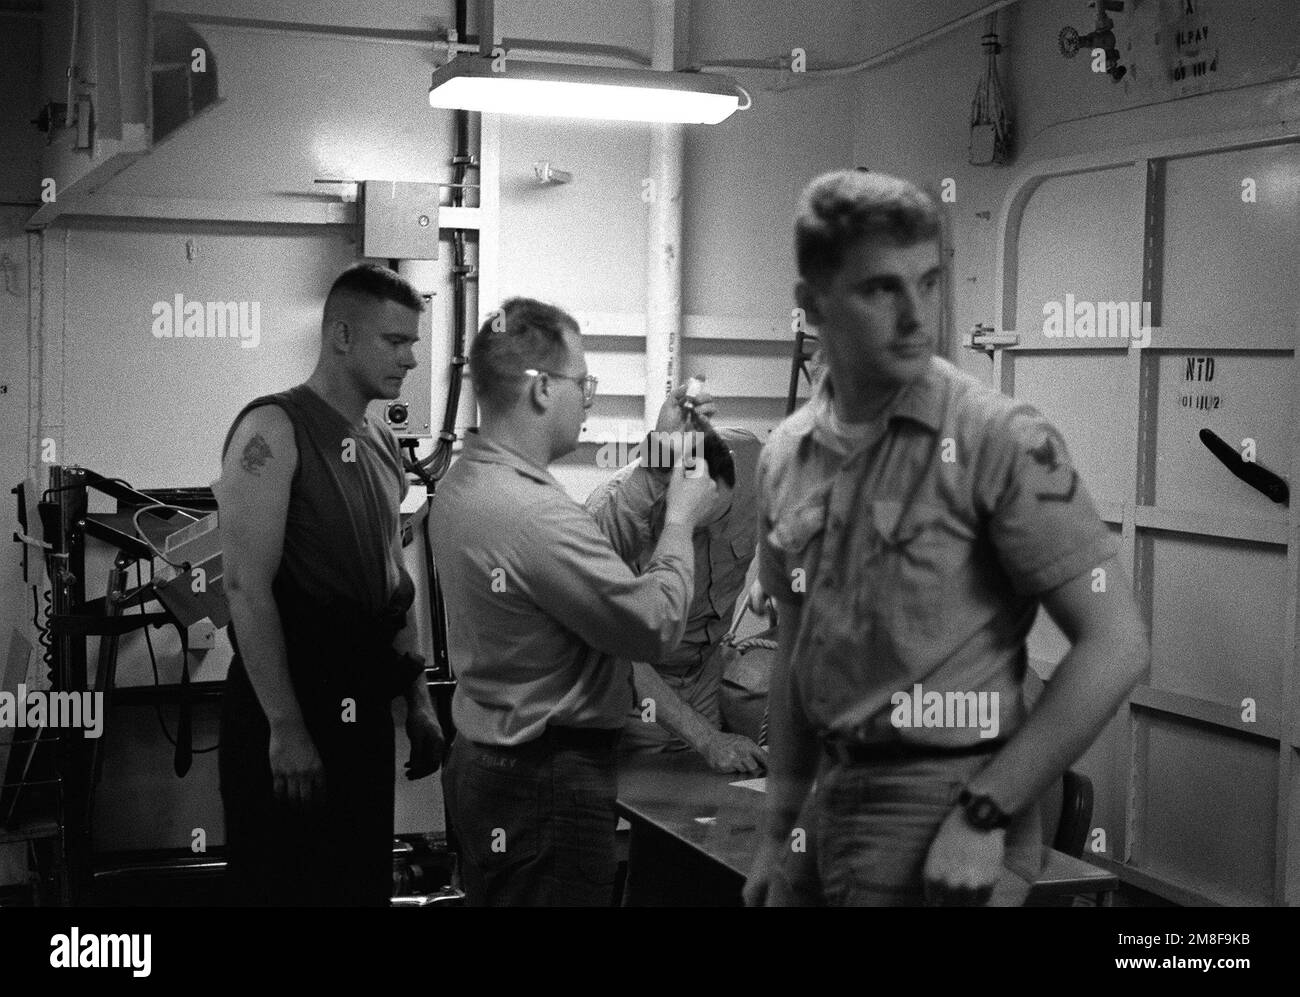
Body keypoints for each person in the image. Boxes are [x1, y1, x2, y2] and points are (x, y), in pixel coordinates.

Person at [744, 170, 1149, 907]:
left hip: (947, 796)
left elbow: (1117, 643)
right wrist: (779, 830)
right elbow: (797, 658)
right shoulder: (787, 455)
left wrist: (986, 807)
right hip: (832, 794)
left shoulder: (998, 438)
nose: (915, 316)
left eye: (928, 283)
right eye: (881, 290)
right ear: (812, 307)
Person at [430, 297, 718, 906]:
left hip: (490, 766)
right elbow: (653, 626)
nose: (588, 396)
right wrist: (680, 519)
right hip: (546, 786)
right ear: (540, 391)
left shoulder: (466, 482)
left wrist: (659, 460)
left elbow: (582, 568)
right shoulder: (533, 514)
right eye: (582, 381)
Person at [215, 263, 445, 906]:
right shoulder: (273, 429)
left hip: (361, 705)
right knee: (282, 890)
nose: (411, 359)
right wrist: (284, 726)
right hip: (290, 701)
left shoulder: (381, 440)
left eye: (413, 343)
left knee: (356, 888)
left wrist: (418, 698)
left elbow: (392, 583)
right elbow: (244, 589)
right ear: (342, 336)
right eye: (395, 342)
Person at [586, 421, 766, 774]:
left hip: (704, 676)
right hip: (635, 692)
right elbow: (616, 655)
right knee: (647, 802)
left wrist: (775, 576)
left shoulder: (754, 461)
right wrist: (707, 739)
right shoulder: (610, 517)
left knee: (700, 809)